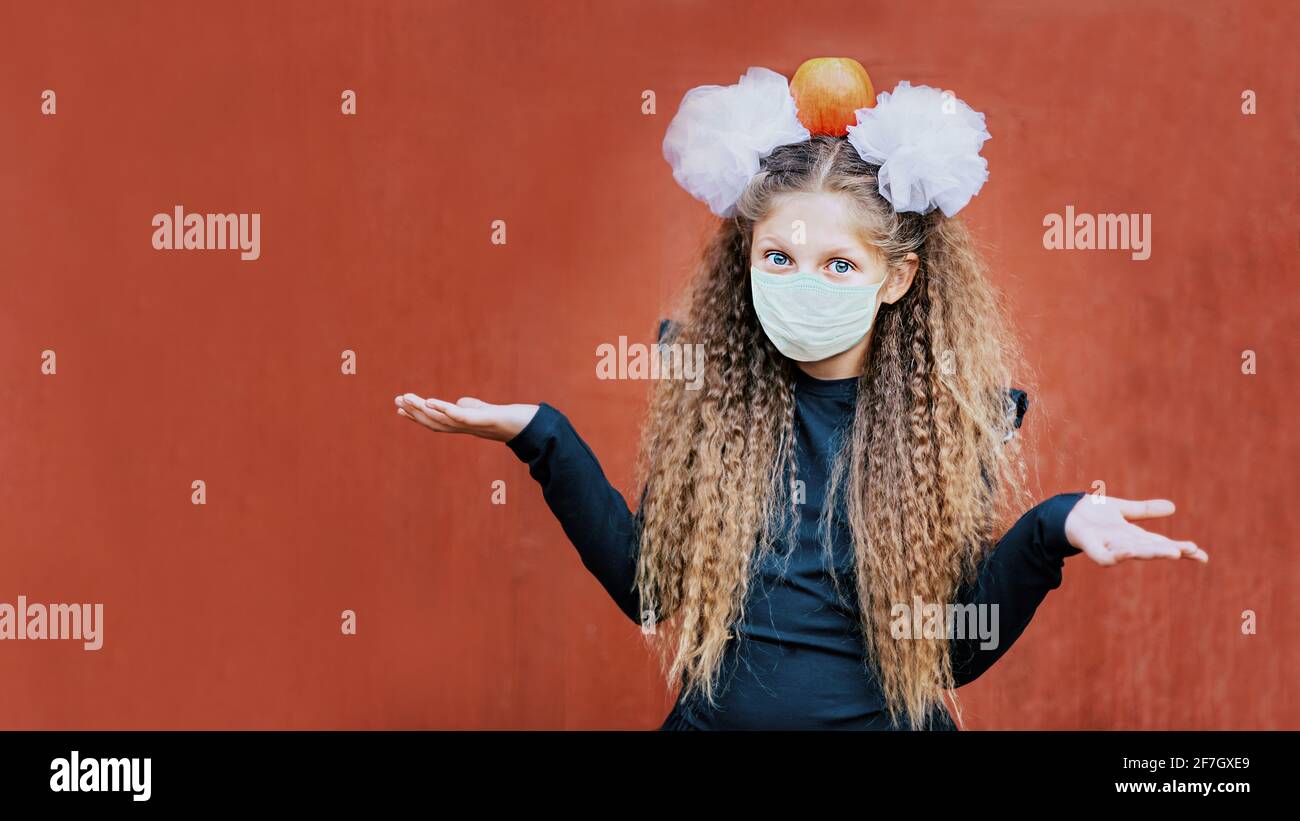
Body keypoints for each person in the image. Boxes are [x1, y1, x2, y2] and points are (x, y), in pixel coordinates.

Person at [393, 62, 1208, 730]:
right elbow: (651, 592)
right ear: (745, 259)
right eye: (778, 257)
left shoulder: (951, 421)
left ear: (896, 278)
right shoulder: (712, 399)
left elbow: (949, 654)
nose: (801, 280)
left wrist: (1050, 529)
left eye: (839, 264)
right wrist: (542, 434)